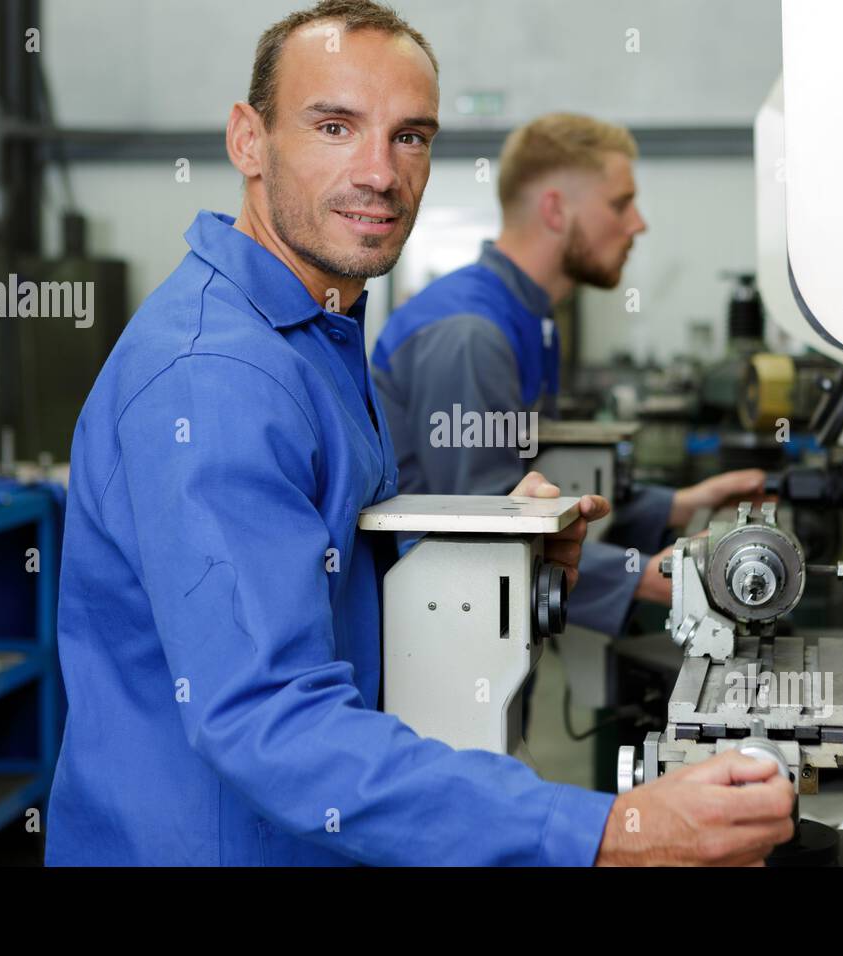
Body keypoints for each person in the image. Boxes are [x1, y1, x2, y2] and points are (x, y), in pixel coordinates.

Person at [47, 0, 793, 867]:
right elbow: (271, 722)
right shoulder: (217, 375)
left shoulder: (313, 332)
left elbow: (321, 563)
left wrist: (489, 544)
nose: (380, 172)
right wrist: (606, 832)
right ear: (247, 140)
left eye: (411, 136)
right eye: (335, 126)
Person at [373, 113, 765, 634]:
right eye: (620, 204)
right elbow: (480, 532)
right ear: (556, 209)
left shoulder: (530, 319)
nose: (638, 224)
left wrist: (682, 504)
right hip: (433, 639)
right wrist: (641, 578)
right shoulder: (470, 334)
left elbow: (536, 481)